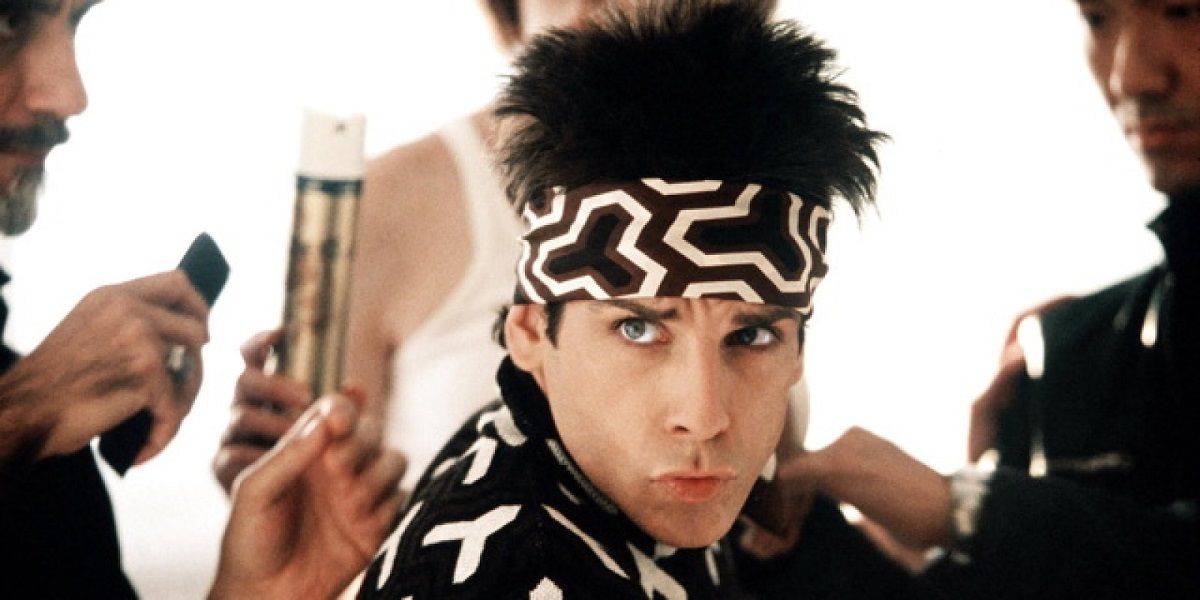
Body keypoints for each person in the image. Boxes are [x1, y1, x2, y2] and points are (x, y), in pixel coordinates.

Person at [353, 2, 915, 597]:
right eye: (639, 330)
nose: (704, 417)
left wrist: (951, 513)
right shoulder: (528, 569)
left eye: (749, 336)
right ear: (530, 329)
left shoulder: (563, 456)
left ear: (798, 345)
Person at [211, 0, 801, 499]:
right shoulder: (393, 201)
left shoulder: (772, 187)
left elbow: (767, 512)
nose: (587, 8)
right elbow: (323, 519)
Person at [770, 1, 1200, 597]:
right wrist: (795, 540)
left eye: (1183, 12)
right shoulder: (1070, 351)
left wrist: (968, 509)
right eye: (1098, 18)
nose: (1132, 77)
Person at [0, 1, 405, 597]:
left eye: (75, 23)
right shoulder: (37, 422)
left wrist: (258, 590)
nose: (68, 94)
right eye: (9, 22)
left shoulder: (49, 457)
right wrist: (21, 414)